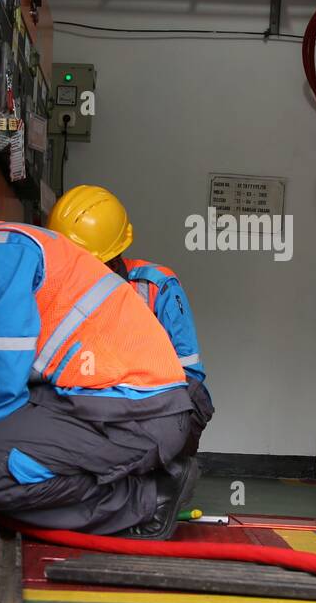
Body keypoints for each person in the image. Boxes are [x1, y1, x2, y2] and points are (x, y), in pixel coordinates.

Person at [0, 177, 198, 539]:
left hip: (132, 412)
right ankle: (142, 485)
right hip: (113, 410)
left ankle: (146, 499)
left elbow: (4, 367)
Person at [46, 185, 215, 458]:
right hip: (86, 400)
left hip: (151, 399)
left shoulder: (155, 285)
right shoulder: (52, 288)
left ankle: (164, 480)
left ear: (114, 258)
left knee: (189, 402)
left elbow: (189, 375)